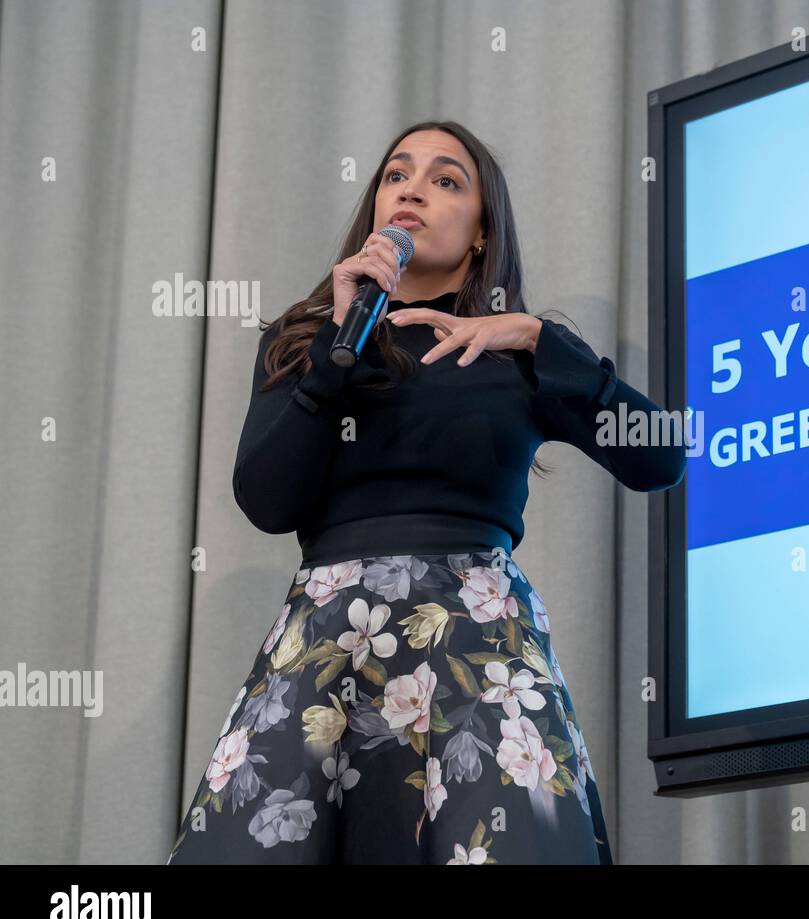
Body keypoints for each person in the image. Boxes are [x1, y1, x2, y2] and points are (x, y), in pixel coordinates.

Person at [167, 120, 686, 864]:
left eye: (447, 180)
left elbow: (661, 457)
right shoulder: (306, 338)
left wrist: (544, 342)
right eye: (396, 175)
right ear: (378, 211)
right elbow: (266, 500)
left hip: (480, 645)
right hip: (330, 644)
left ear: (481, 233)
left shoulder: (516, 353)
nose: (413, 188)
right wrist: (329, 356)